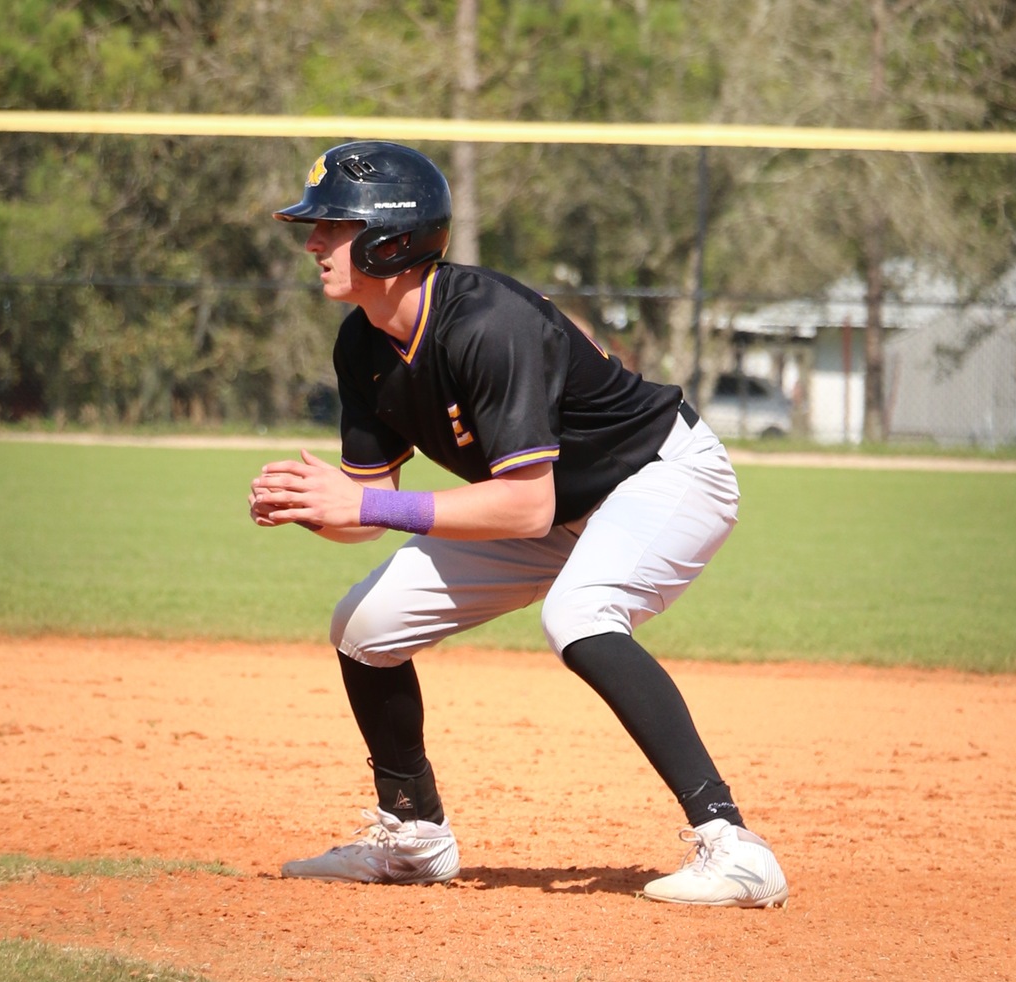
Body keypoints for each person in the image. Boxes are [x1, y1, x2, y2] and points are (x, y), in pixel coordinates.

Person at [249, 141, 787, 908]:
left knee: (579, 612)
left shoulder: (487, 324)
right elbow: (367, 508)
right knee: (364, 626)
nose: (311, 242)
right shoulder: (362, 342)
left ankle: (733, 846)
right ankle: (412, 839)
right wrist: (317, 507)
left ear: (388, 239)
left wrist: (361, 503)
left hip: (660, 476)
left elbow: (522, 506)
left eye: (331, 226)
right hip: (547, 502)